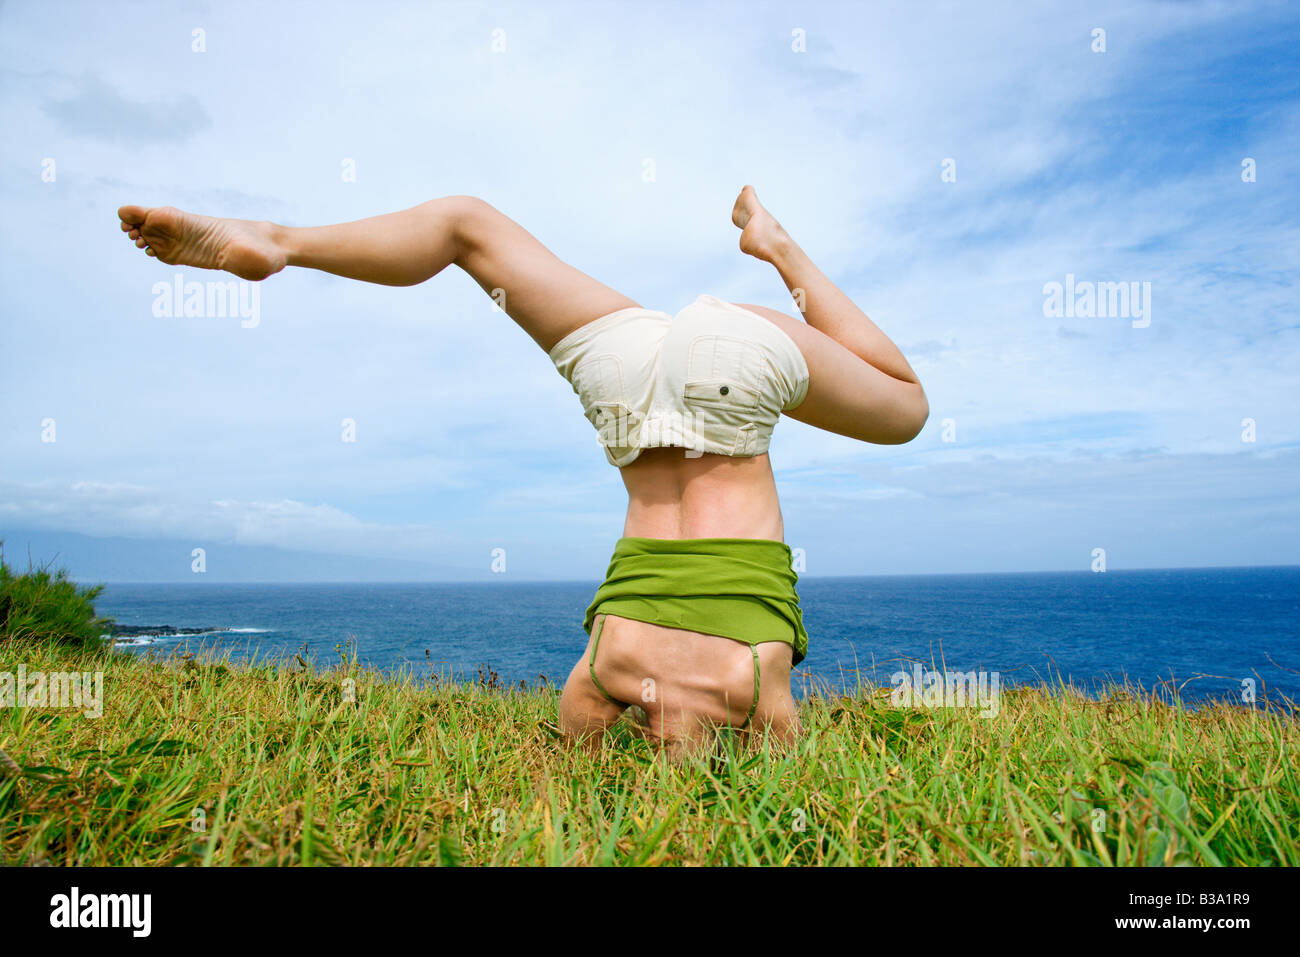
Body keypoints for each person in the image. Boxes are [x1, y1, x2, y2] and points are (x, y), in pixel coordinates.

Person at [116, 186, 928, 754]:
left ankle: (281, 242)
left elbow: (784, 771)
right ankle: (277, 240)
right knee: (471, 228)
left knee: (469, 224)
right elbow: (576, 757)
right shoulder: (602, 672)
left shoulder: (747, 690)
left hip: (697, 367)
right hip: (635, 390)